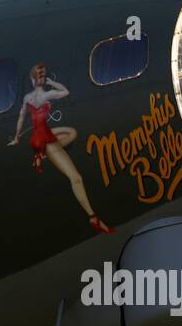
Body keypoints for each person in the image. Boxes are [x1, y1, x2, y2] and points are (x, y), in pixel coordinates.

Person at [9, 63, 112, 234]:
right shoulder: (47, 94)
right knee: (76, 177)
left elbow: (21, 117)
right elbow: (66, 92)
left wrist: (16, 138)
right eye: (42, 76)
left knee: (71, 133)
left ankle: (42, 155)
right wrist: (52, 82)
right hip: (46, 140)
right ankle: (93, 216)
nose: (42, 78)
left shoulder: (27, 97)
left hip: (38, 136)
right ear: (38, 79)